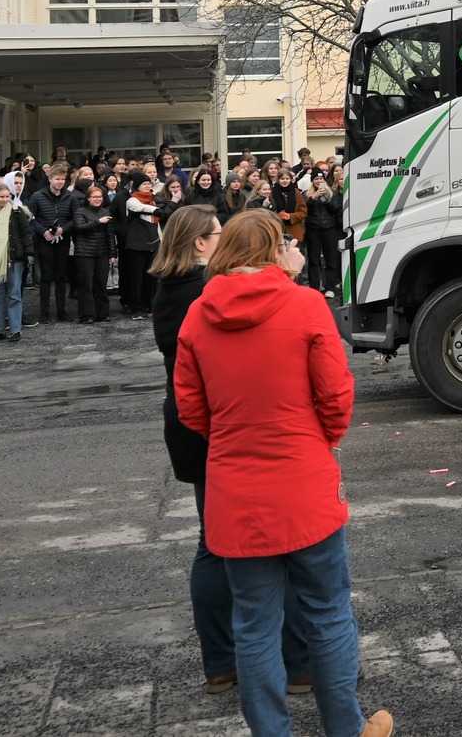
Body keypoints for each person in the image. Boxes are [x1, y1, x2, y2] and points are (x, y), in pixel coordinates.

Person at [173, 212, 388, 737]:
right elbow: (335, 393)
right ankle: (347, 728)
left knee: (253, 626)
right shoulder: (306, 304)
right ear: (273, 250)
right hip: (304, 480)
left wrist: (233, 437)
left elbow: (191, 408)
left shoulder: (198, 315)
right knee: (329, 612)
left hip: (234, 490)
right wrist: (321, 440)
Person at [149, 206, 315, 698]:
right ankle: (299, 663)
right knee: (275, 546)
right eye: (219, 233)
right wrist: (287, 275)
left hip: (190, 424)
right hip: (223, 426)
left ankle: (221, 663)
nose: (225, 239)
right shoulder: (204, 292)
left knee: (213, 545)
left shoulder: (171, 289)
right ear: (199, 243)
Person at [26, 165, 82, 326]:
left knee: (61, 276)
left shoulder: (70, 197)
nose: (60, 182)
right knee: (46, 276)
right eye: (57, 179)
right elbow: (30, 218)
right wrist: (43, 231)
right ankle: (44, 312)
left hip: (63, 239)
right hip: (44, 241)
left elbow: (76, 218)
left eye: (63, 179)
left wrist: (63, 229)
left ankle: (61, 311)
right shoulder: (38, 196)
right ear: (50, 179)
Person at [0, 182, 33, 343]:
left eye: (7, 197)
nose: (4, 200)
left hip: (14, 257)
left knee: (14, 294)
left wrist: (29, 253)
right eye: (1, 197)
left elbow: (25, 233)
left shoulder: (17, 211)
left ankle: (15, 329)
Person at [68, 184, 118, 323]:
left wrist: (112, 253)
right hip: (84, 253)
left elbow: (110, 235)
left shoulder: (106, 212)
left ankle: (103, 314)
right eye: (95, 197)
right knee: (86, 285)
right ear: (88, 198)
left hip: (102, 252)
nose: (98, 199)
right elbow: (80, 228)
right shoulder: (80, 211)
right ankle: (87, 315)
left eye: (100, 197)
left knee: (101, 284)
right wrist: (98, 222)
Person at [119, 176, 164, 318]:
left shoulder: (154, 199)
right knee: (136, 278)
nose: (147, 186)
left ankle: (149, 305)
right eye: (144, 183)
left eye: (148, 183)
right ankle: (136, 308)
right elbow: (137, 207)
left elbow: (157, 223)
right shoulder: (132, 199)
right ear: (137, 186)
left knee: (151, 278)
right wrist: (155, 209)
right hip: (137, 244)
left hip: (152, 242)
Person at [304, 165, 347, 295]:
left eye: (320, 179)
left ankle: (330, 288)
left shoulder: (332, 192)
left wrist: (326, 199)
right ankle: (315, 287)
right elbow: (305, 210)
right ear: (312, 180)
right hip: (313, 230)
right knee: (314, 260)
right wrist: (314, 198)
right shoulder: (306, 194)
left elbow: (335, 209)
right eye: (316, 179)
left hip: (329, 229)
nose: (318, 181)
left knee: (330, 259)